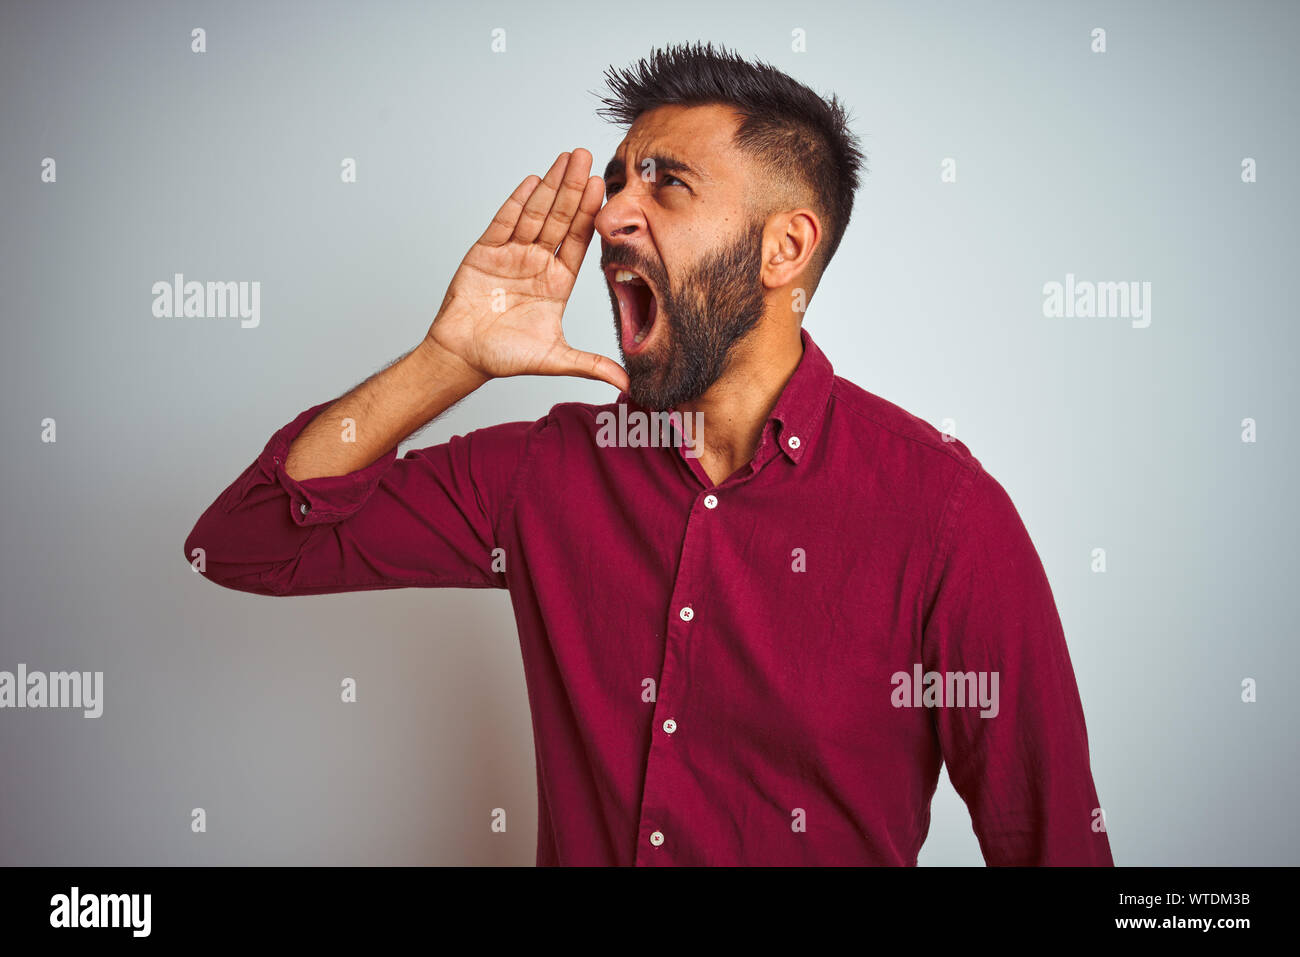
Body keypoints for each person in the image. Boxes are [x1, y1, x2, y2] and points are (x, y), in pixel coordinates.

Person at [184, 42, 1113, 866]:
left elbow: (1054, 844)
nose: (612, 216)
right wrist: (446, 362)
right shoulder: (546, 471)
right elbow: (248, 543)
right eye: (619, 181)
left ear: (784, 248)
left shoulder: (944, 516)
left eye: (666, 183)